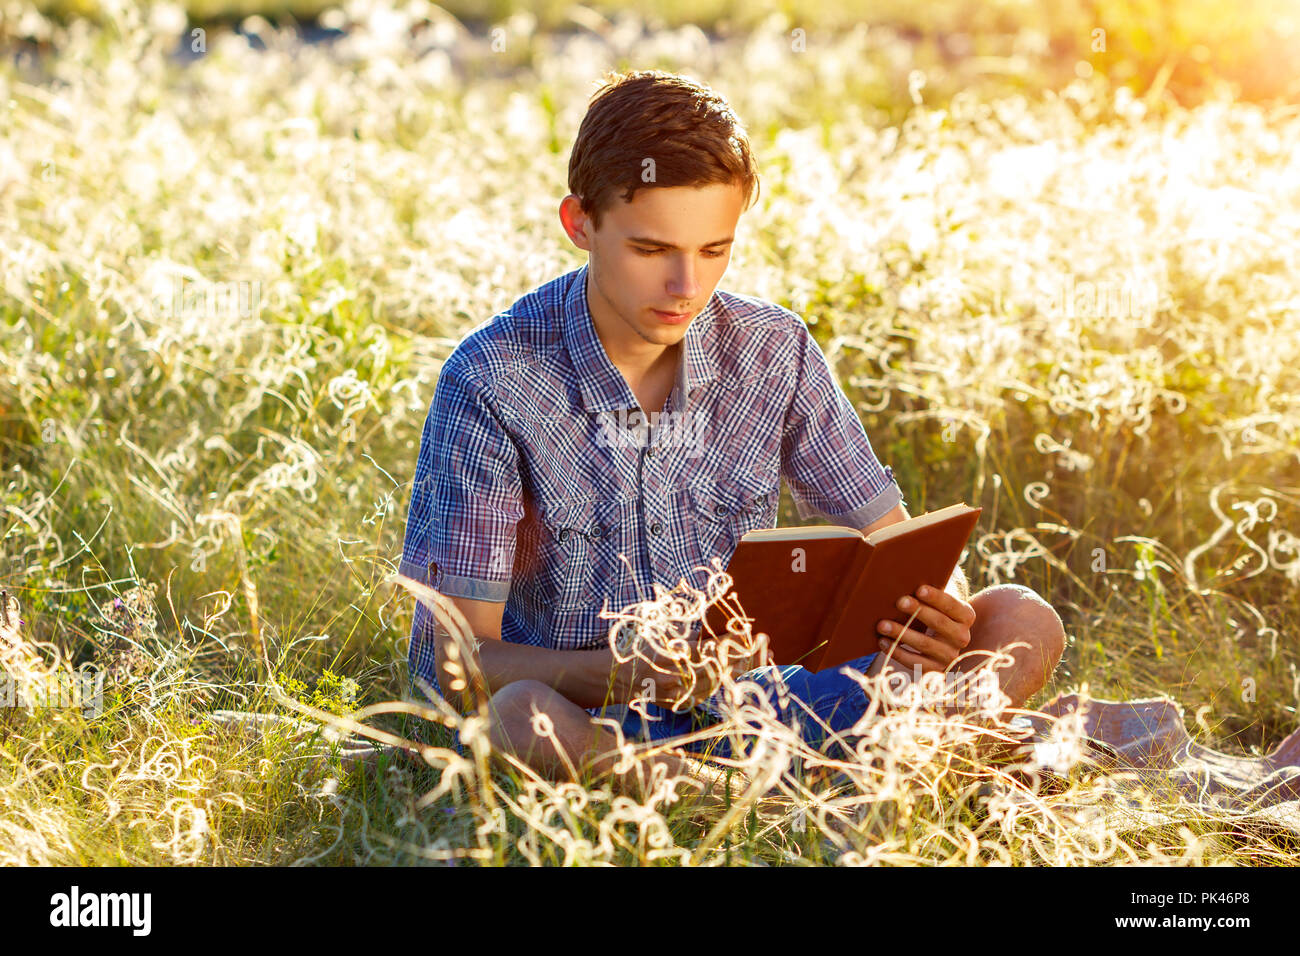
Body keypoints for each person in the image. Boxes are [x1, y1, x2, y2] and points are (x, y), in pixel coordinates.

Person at [398, 69, 1066, 798]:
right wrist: (624, 671)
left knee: (1019, 617)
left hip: (772, 700)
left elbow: (898, 551)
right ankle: (807, 792)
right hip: (598, 719)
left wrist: (934, 614)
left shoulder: (774, 349)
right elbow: (457, 665)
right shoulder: (492, 379)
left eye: (714, 249)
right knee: (519, 719)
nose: (687, 286)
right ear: (580, 223)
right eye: (652, 250)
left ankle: (846, 774)